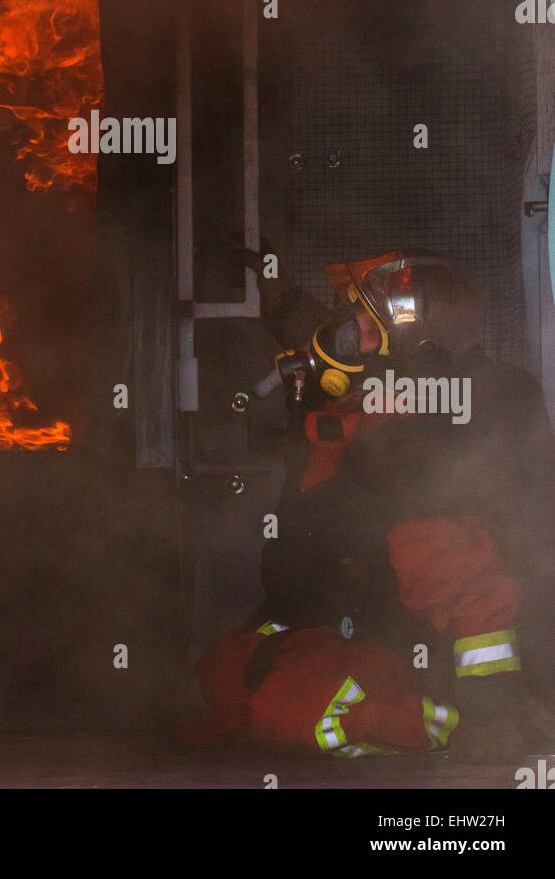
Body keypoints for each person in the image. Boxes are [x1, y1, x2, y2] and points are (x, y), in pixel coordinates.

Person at [188, 250, 555, 760]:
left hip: (444, 658)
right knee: (231, 670)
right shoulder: (375, 406)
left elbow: (419, 547)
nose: (346, 338)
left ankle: (483, 721)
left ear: (417, 343)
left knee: (294, 696)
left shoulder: (481, 401)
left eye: (362, 325)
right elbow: (296, 573)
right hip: (371, 630)